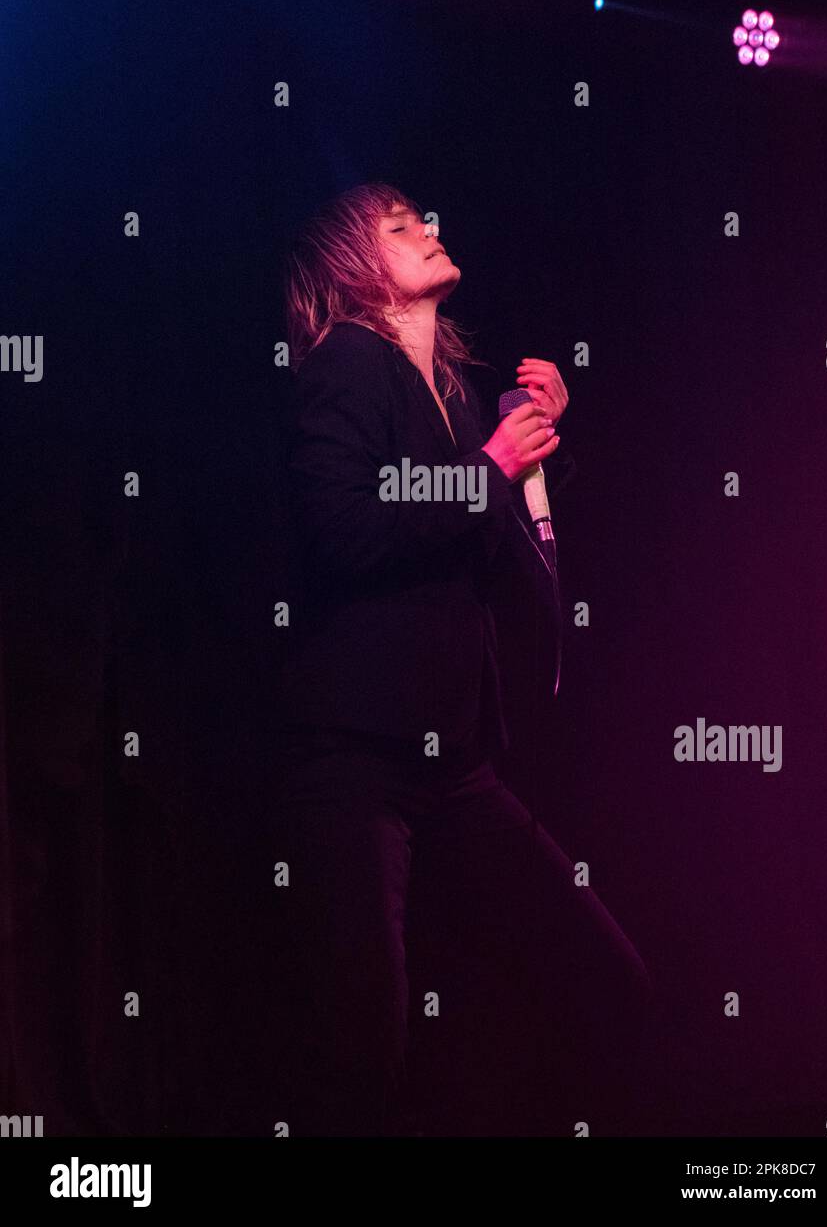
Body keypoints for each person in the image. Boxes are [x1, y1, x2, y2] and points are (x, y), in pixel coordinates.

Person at [268, 181, 652, 1136]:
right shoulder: (347, 366)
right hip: (360, 760)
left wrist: (539, 458)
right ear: (359, 269)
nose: (429, 229)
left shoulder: (452, 389)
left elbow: (483, 539)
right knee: (364, 1043)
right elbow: (345, 528)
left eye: (423, 218)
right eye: (401, 227)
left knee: (600, 973)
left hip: (455, 758)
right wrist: (487, 469)